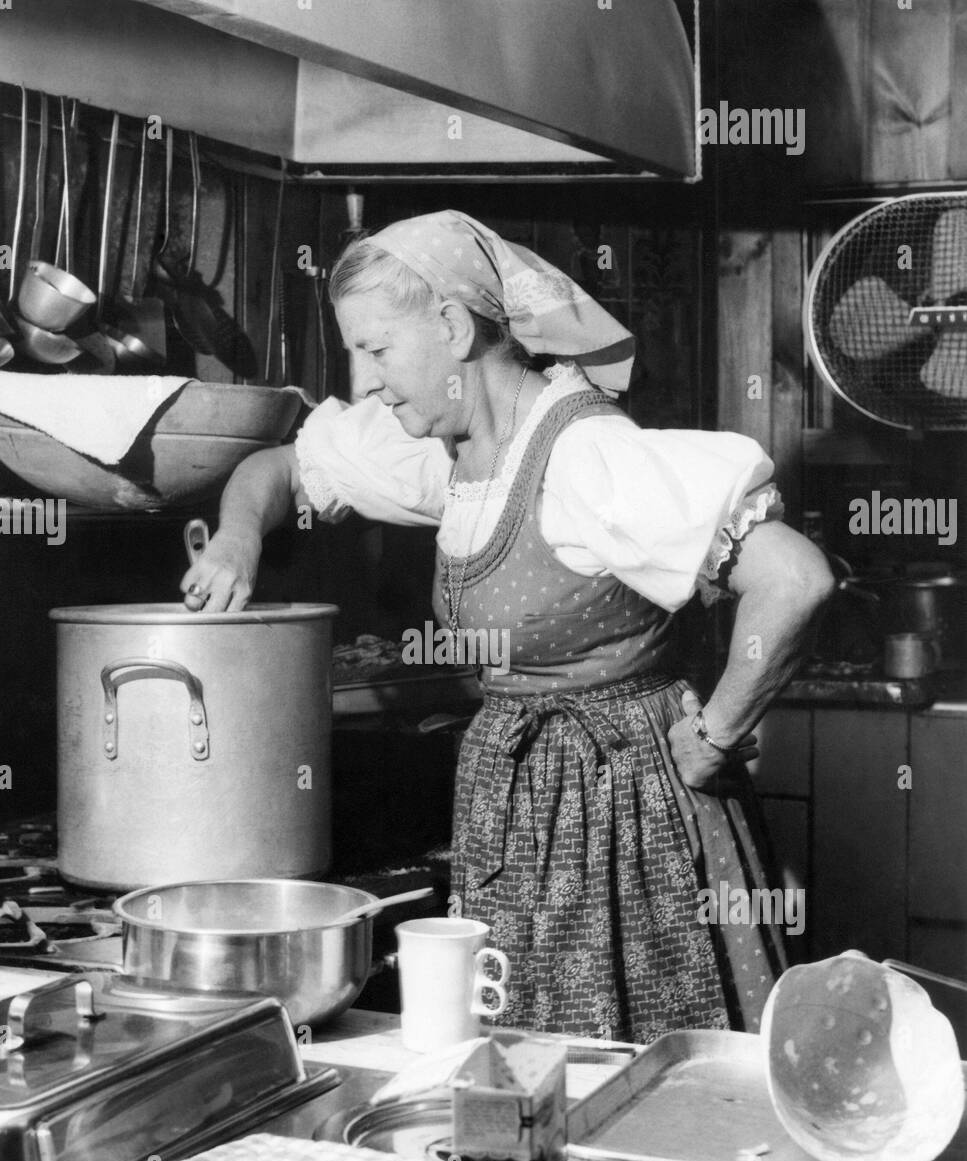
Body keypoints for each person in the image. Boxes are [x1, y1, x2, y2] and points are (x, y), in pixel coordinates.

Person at [181, 210, 834, 1044]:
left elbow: (794, 579)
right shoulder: (451, 454)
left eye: (377, 349)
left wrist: (716, 732)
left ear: (453, 327)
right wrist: (239, 537)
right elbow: (275, 468)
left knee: (640, 1064)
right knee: (522, 1066)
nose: (368, 377)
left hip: (624, 813)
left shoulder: (585, 456)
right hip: (525, 805)